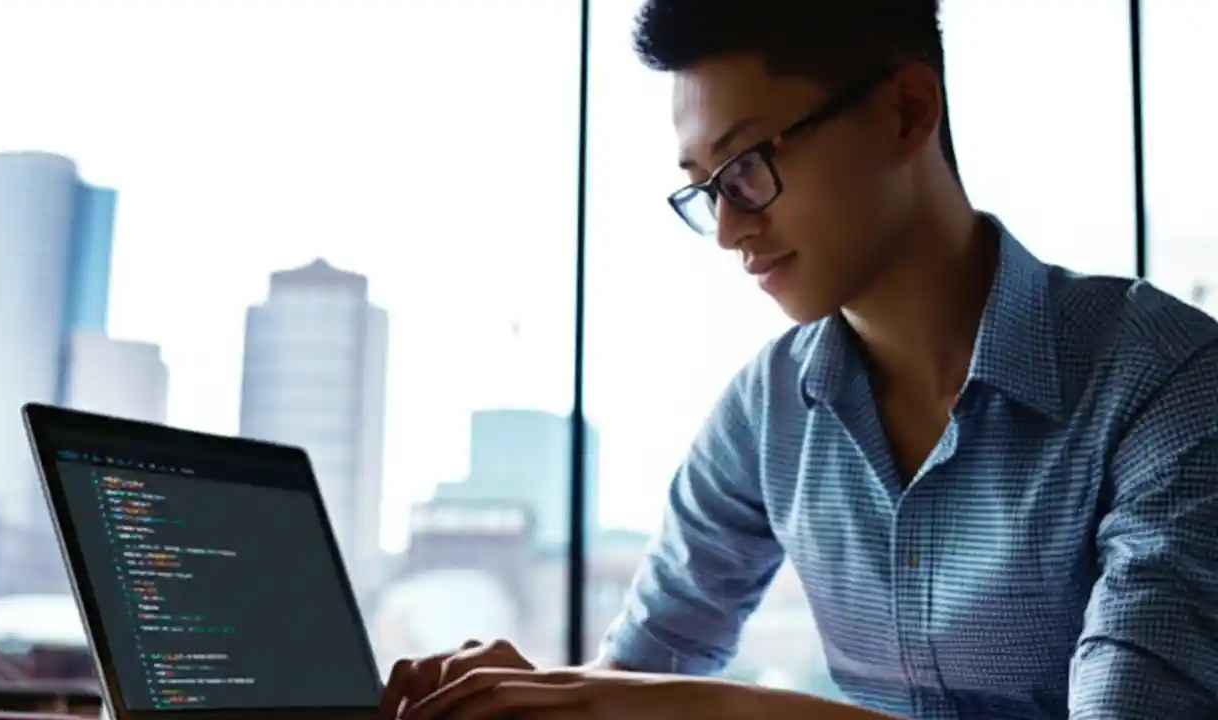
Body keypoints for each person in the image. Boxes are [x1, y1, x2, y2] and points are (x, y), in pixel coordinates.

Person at [382, 1, 1218, 718]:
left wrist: (726, 709)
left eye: (747, 168)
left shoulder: (1166, 380)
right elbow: (643, 677)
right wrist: (535, 697)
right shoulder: (767, 410)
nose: (727, 229)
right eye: (704, 187)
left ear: (906, 111)